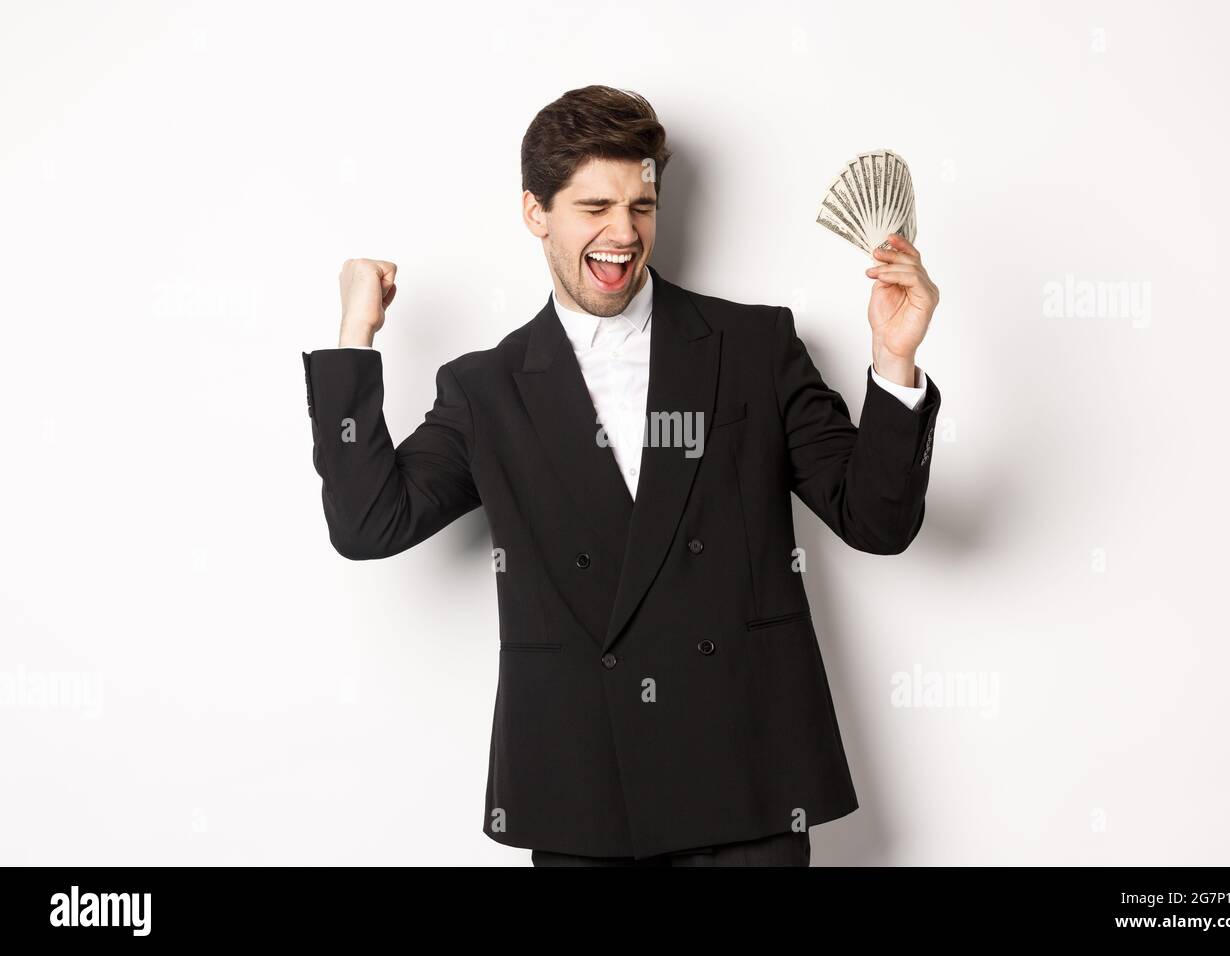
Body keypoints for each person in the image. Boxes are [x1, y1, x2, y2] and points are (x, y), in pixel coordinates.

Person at [302, 85, 942, 866]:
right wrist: (353, 336)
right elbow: (369, 525)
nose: (622, 233)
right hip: (585, 797)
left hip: (747, 782)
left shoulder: (753, 344)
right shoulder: (486, 388)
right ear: (536, 212)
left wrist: (894, 360)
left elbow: (876, 521)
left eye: (641, 205)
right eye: (593, 206)